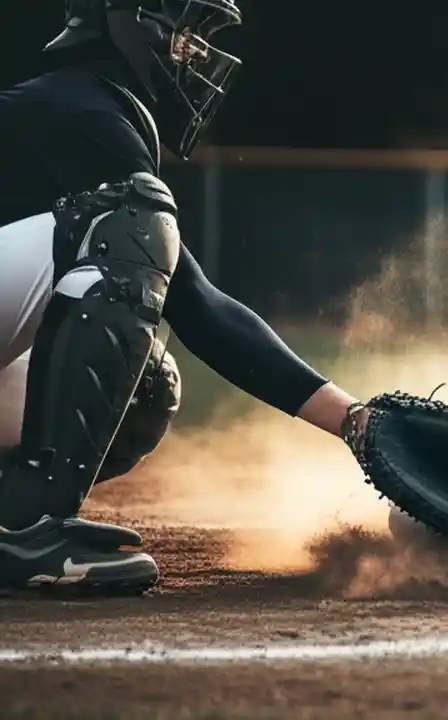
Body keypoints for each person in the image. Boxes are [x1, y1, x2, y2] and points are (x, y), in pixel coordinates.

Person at [0, 0, 364, 592]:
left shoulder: (81, 107)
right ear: (130, 24)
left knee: (143, 387)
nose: (195, 51)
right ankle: (31, 530)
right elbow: (198, 306)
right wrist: (355, 422)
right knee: (133, 225)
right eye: (187, 32)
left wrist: (353, 420)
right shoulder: (84, 110)